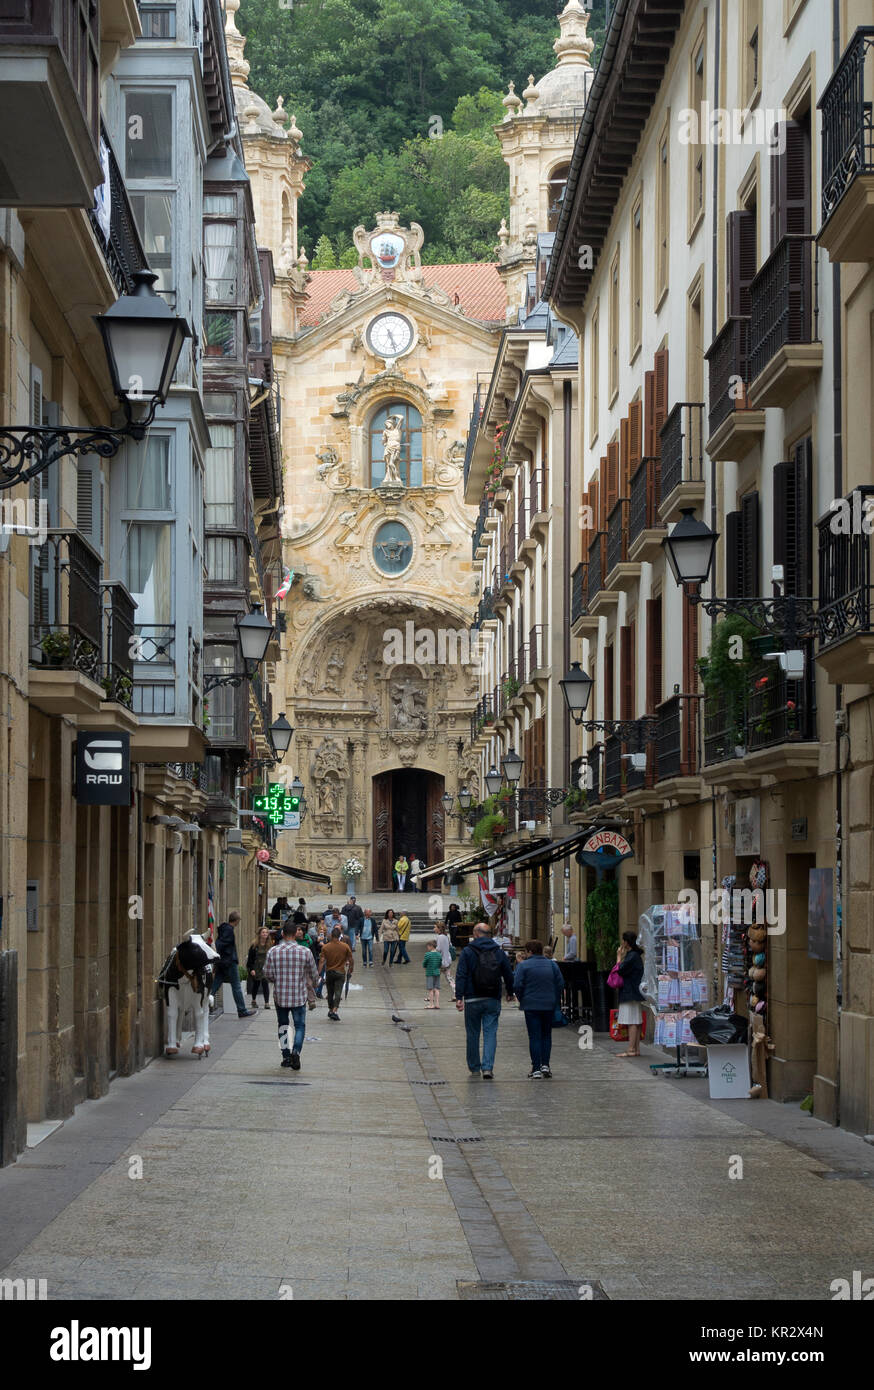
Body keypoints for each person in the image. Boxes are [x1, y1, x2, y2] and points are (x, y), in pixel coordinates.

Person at [454, 923, 515, 1079]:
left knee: (472, 1033)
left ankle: (474, 1067)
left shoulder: (468, 951)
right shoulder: (499, 952)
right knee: (490, 1033)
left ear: (475, 933)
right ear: (489, 935)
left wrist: (459, 996)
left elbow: (461, 974)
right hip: (492, 997)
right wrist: (510, 991)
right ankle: (487, 1068)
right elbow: (508, 973)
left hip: (472, 998)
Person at [263, 921, 319, 1070]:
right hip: (299, 995)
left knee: (283, 1026)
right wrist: (314, 984)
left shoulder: (273, 951)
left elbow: (267, 973)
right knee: (299, 1026)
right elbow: (314, 974)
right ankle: (296, 1051)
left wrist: (276, 979)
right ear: (296, 934)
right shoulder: (305, 952)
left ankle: (286, 1056)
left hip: (280, 995)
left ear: (282, 934)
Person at [513, 939, 564, 1079]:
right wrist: (554, 997)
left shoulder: (523, 966)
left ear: (529, 951)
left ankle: (536, 1069)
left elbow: (517, 985)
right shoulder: (552, 965)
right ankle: (545, 1065)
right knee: (546, 1035)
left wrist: (522, 998)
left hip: (531, 1005)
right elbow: (560, 983)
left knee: (534, 1036)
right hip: (548, 1005)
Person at [211, 911, 257, 1017]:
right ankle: (242, 1010)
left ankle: (205, 1003)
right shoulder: (228, 930)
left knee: (216, 984)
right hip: (229, 962)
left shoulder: (224, 929)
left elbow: (220, 943)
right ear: (236, 921)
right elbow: (221, 944)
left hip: (223, 962)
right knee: (236, 986)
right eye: (238, 920)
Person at [615, 930, 645, 1058]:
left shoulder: (631, 956)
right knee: (636, 1021)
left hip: (629, 992)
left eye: (623, 940)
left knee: (631, 1021)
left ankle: (631, 1049)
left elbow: (620, 970)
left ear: (626, 942)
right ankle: (636, 1048)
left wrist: (619, 958)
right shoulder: (636, 955)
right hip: (635, 991)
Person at [319, 926, 354, 1021]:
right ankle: (334, 1010)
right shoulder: (345, 946)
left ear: (331, 935)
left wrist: (318, 974)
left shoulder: (325, 947)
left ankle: (330, 1009)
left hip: (329, 972)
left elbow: (322, 961)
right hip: (340, 972)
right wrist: (351, 969)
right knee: (338, 993)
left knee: (330, 993)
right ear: (339, 936)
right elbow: (351, 959)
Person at [246, 925, 273, 1010]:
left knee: (265, 984)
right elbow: (250, 959)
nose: (265, 934)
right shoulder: (254, 946)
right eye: (263, 932)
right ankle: (253, 1000)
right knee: (256, 985)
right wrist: (251, 969)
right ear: (260, 934)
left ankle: (267, 1003)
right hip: (256, 967)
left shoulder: (269, 945)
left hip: (266, 967)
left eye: (266, 932)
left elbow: (272, 957)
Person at [434, 924, 455, 996]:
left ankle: (431, 996)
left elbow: (438, 949)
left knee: (434, 978)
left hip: (441, 961)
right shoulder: (446, 936)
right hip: (447, 960)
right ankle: (456, 993)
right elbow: (450, 945)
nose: (434, 928)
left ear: (439, 929)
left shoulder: (439, 937)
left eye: (435, 927)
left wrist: (432, 951)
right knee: (449, 978)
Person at [423, 940, 443, 1009]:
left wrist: (425, 967)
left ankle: (431, 1004)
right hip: (437, 972)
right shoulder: (439, 954)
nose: (427, 948)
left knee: (430, 989)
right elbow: (440, 964)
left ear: (431, 946)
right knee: (437, 988)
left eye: (428, 946)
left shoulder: (427, 954)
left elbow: (424, 963)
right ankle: (437, 1004)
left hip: (429, 973)